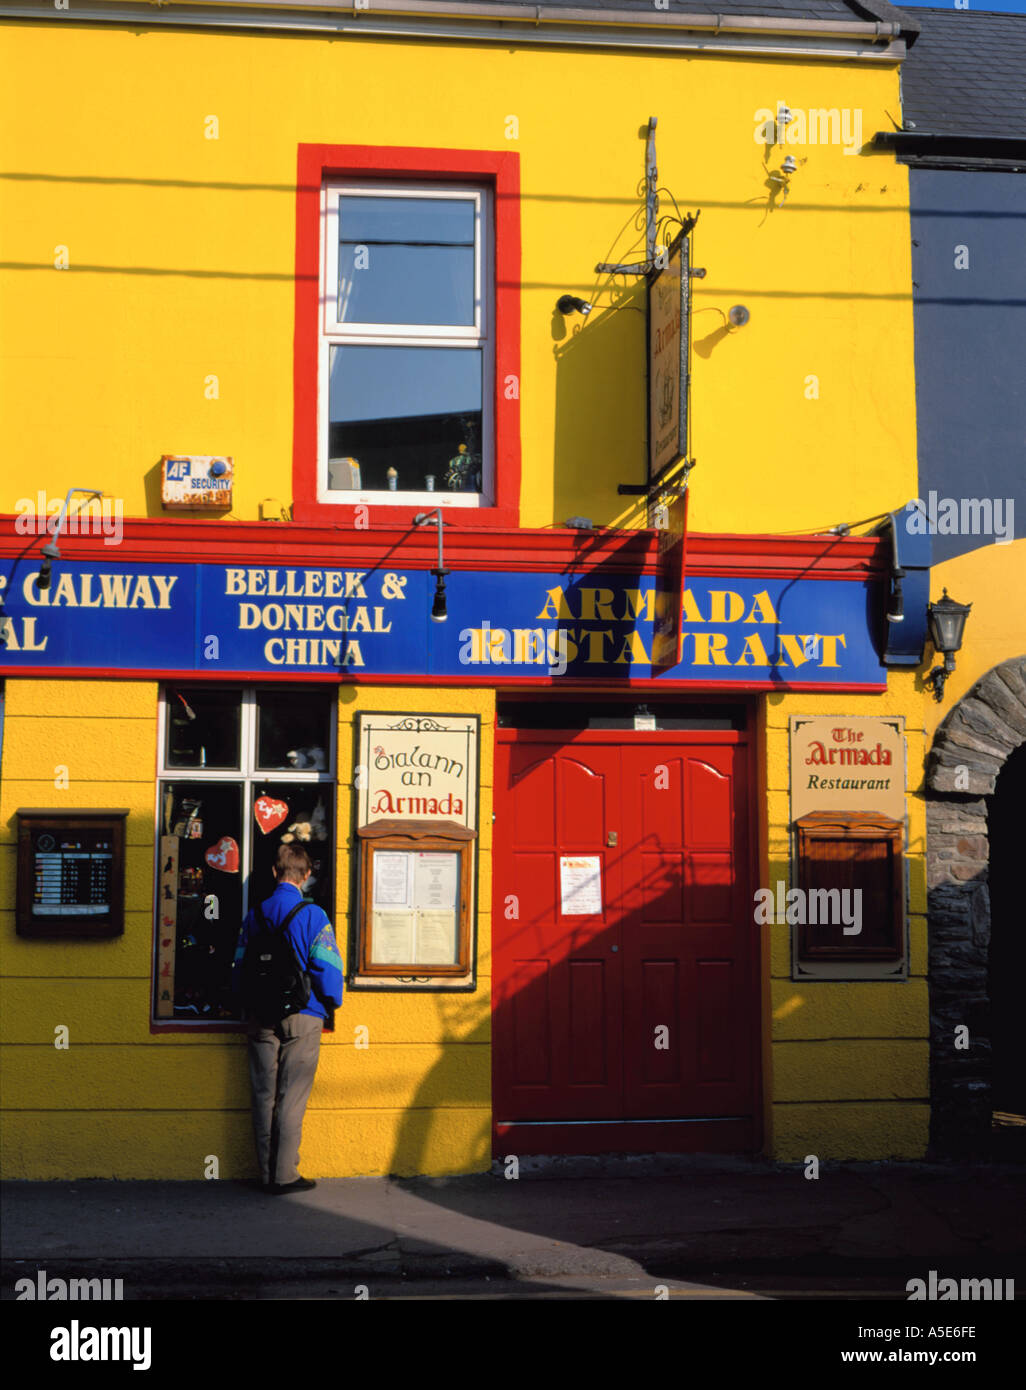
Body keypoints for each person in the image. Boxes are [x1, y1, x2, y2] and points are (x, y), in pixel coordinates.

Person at [231, 842, 343, 1194]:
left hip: (260, 1015)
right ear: (306, 875)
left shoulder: (255, 914)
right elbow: (328, 968)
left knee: (264, 1094)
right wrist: (332, 1003)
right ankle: (285, 1175)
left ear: (275, 873)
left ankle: (265, 1173)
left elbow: (239, 966)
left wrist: (242, 1003)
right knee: (291, 1097)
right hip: (303, 1014)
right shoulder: (314, 916)